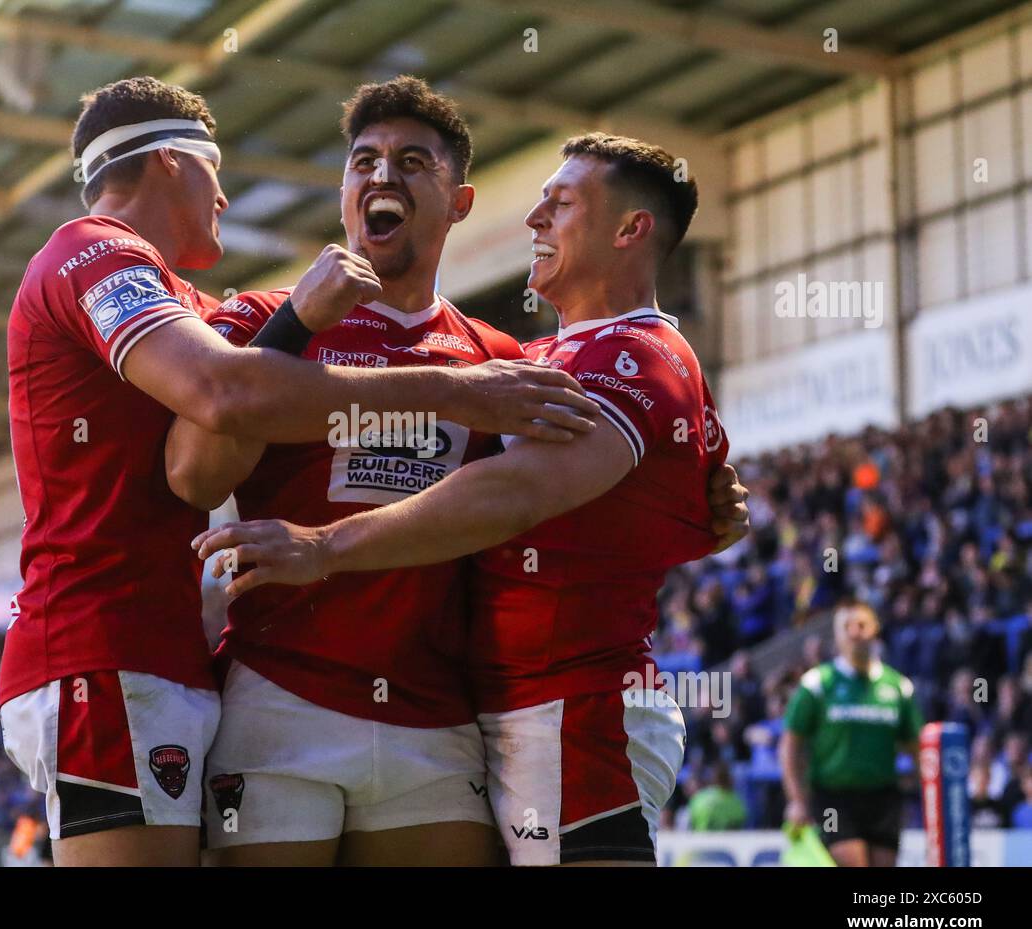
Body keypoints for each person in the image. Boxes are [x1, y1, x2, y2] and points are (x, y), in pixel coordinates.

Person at [0, 76, 602, 867]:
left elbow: (555, 487)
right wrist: (440, 387)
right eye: (363, 162)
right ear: (180, 163)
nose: (382, 177)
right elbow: (200, 459)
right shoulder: (195, 296)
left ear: (459, 201)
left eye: (413, 162)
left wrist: (696, 488)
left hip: (398, 706)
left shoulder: (499, 360)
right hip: (204, 681)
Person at [195, 131, 749, 866]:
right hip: (503, 710)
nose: (536, 220)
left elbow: (512, 493)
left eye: (562, 203)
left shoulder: (638, 355)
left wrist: (323, 545)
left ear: (629, 228)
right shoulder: (535, 360)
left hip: (578, 711)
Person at [780, 599, 923, 867]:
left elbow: (916, 746)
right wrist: (797, 799)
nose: (855, 632)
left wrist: (928, 794)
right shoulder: (817, 684)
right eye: (847, 626)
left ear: (875, 629)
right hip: (834, 798)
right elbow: (790, 745)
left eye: (862, 625)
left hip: (884, 798)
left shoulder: (898, 687)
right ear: (837, 635)